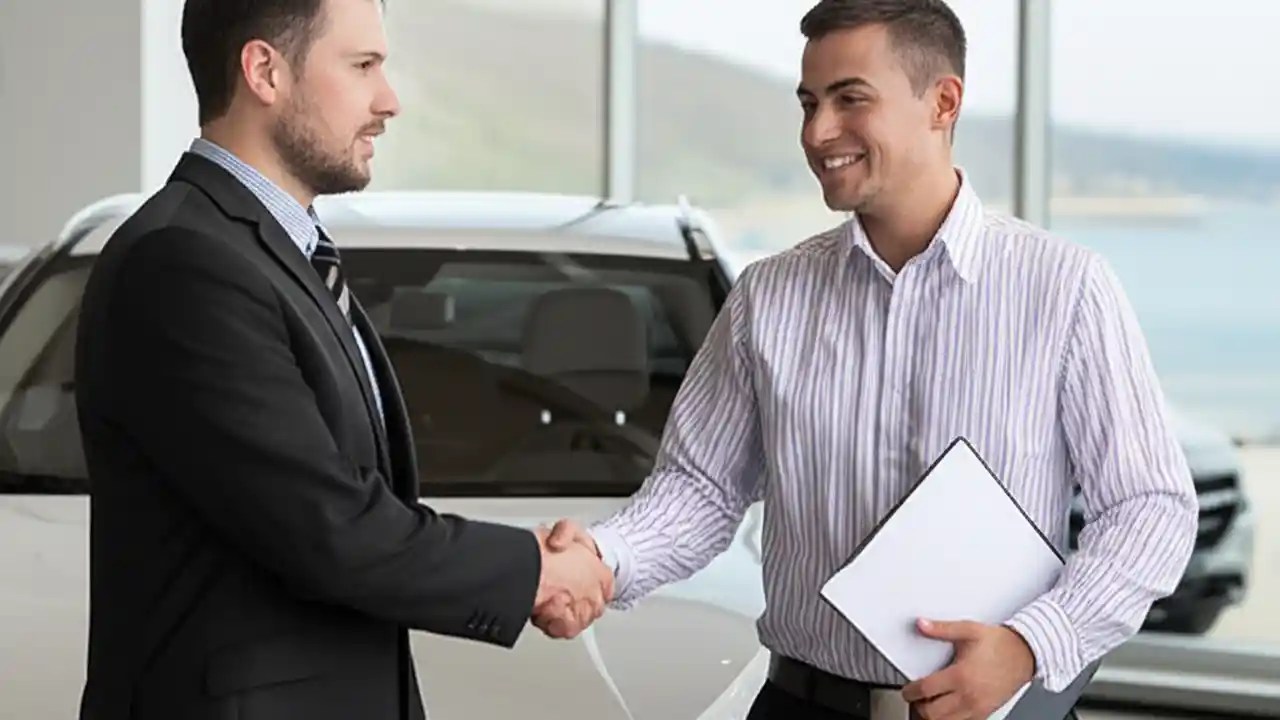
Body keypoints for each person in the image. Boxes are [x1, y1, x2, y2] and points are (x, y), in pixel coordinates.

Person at [539, 0, 1199, 718]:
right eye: (809, 103)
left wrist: (1031, 644)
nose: (818, 132)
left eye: (850, 99)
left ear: (942, 102)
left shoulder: (1065, 289)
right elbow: (701, 489)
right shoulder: (767, 297)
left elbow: (1149, 509)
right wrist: (604, 557)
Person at [73, 1, 610, 719]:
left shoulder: (272, 252)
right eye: (363, 66)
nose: (389, 101)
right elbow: (327, 525)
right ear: (265, 71)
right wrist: (535, 570)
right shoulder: (184, 261)